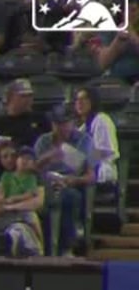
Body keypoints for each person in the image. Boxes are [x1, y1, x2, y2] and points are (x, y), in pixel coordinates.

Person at [32, 105, 92, 259]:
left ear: (73, 122)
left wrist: (73, 179)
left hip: (71, 183)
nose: (60, 127)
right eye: (57, 123)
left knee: (69, 197)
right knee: (42, 201)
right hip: (45, 185)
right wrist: (46, 157)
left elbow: (91, 175)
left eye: (65, 123)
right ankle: (45, 249)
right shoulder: (43, 140)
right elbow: (32, 169)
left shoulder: (84, 140)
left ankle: (66, 247)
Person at [0, 147, 46, 258]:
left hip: (23, 210)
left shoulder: (32, 177)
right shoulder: (6, 176)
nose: (25, 161)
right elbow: (1, 194)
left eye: (29, 159)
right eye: (22, 158)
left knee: (30, 217)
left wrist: (13, 200)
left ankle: (39, 247)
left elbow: (31, 195)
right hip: (6, 210)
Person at [0, 79, 49, 157]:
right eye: (23, 96)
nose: (28, 99)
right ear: (10, 97)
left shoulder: (40, 118)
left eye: (30, 95)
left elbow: (53, 142)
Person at [74, 86, 120, 184]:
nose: (79, 102)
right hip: (86, 172)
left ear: (93, 101)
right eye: (77, 99)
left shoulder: (102, 120)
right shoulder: (82, 127)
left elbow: (103, 152)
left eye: (84, 98)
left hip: (102, 173)